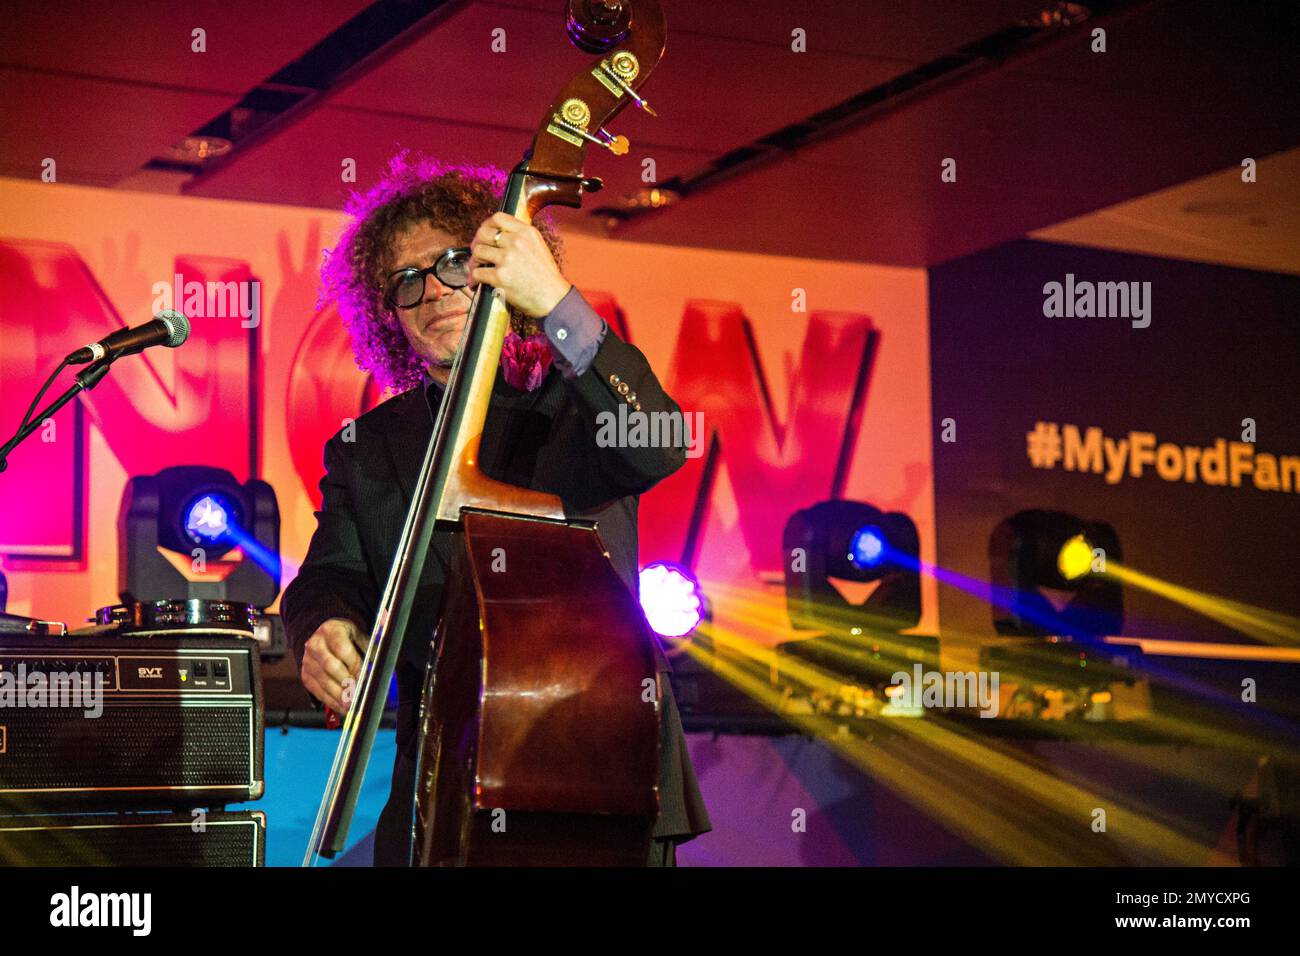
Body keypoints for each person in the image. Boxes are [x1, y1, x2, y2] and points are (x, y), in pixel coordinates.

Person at [280, 151, 710, 866]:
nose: (435, 290)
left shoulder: (573, 400)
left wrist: (557, 303)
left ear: (498, 267)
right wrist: (321, 626)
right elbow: (327, 578)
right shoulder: (367, 448)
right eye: (406, 281)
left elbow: (658, 446)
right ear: (386, 314)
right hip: (440, 787)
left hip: (595, 772)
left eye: (457, 260)